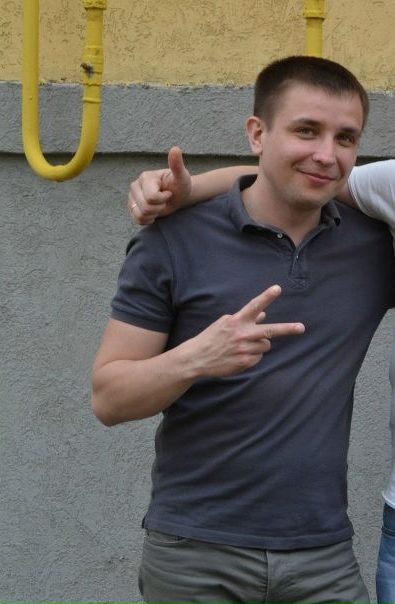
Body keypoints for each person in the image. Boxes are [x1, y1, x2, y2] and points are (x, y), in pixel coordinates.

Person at [92, 55, 395, 604]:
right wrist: (195, 358)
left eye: (346, 138)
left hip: (323, 555)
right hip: (195, 554)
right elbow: (109, 399)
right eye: (306, 130)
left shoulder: (372, 245)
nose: (327, 154)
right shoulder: (173, 239)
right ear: (257, 133)